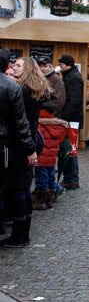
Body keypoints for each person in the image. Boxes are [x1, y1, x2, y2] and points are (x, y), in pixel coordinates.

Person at [0, 54, 44, 247]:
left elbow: (20, 122)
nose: (15, 68)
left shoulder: (21, 90)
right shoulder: (26, 88)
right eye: (14, 65)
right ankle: (21, 232)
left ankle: (20, 234)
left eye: (19, 66)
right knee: (22, 186)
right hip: (23, 142)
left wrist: (28, 148)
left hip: (17, 145)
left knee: (18, 188)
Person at [58, 54, 84, 189]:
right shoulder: (71, 76)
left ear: (68, 65)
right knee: (70, 148)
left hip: (71, 120)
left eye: (62, 64)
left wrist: (64, 118)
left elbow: (74, 100)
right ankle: (71, 177)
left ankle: (71, 178)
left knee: (69, 148)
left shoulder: (73, 78)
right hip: (72, 119)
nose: (60, 67)